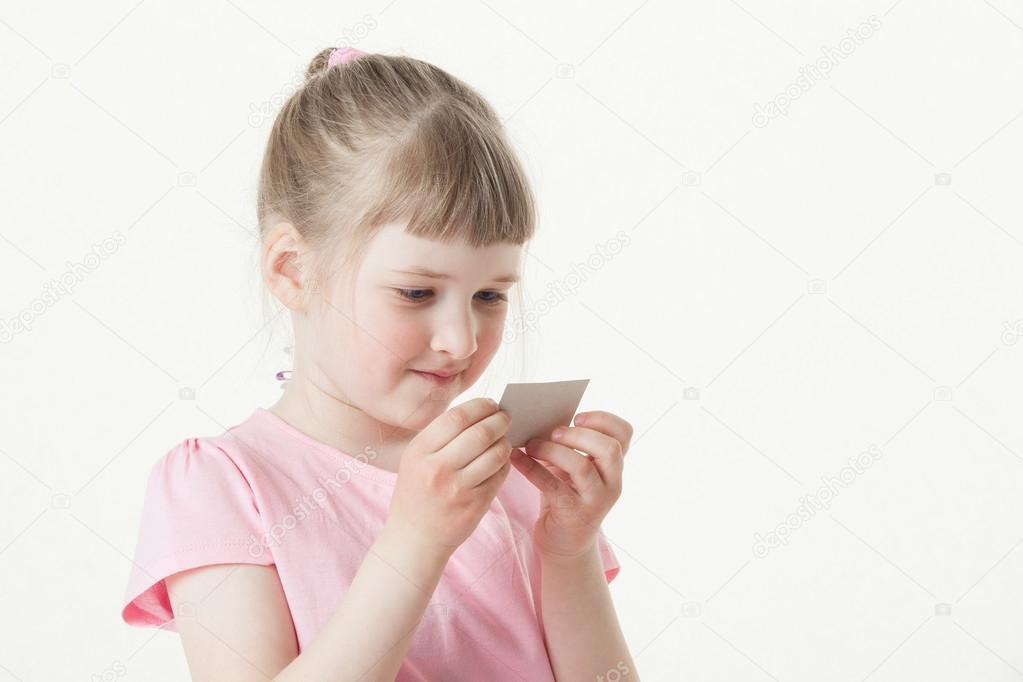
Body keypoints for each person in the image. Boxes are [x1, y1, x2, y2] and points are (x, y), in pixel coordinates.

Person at [120, 46, 638, 681]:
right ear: (293, 270)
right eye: (416, 292)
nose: (461, 341)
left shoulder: (509, 478)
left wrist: (569, 549)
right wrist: (416, 540)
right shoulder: (223, 488)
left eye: (490, 296)